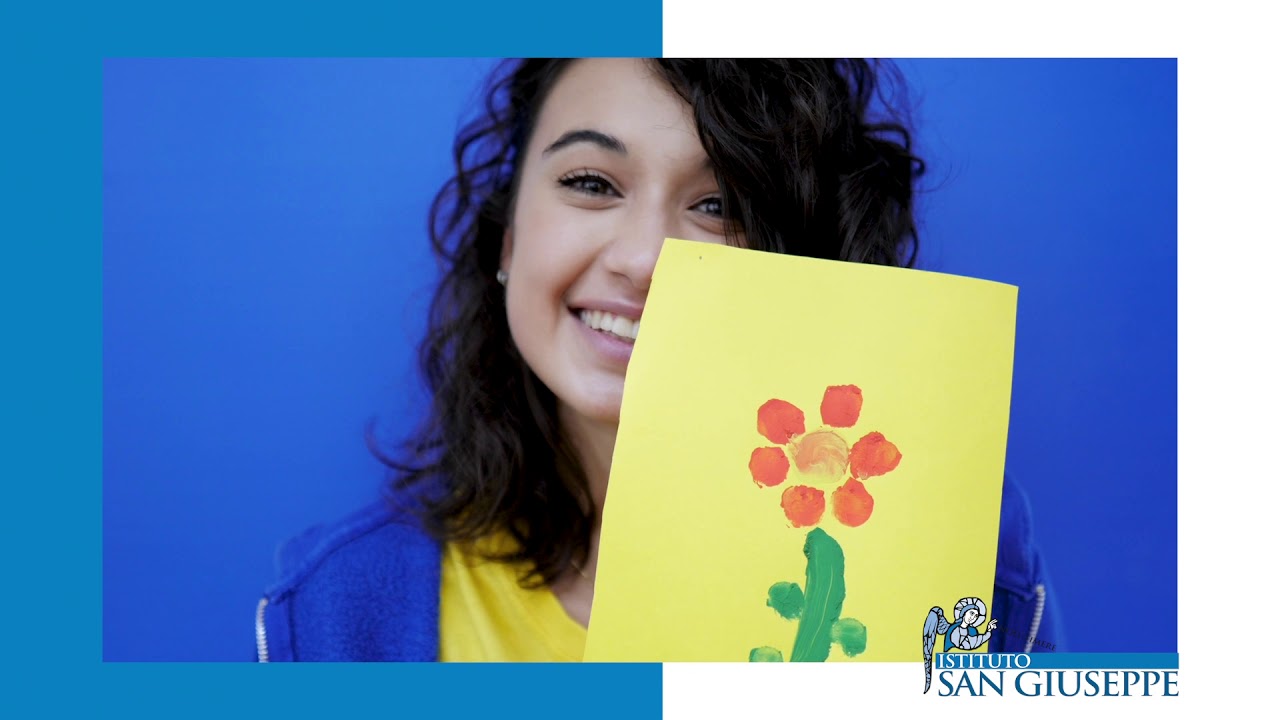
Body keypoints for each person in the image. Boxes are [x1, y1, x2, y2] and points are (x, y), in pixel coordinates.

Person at [254, 58, 1064, 662]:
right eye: (591, 182)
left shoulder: (968, 572)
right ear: (508, 239)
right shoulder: (336, 608)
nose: (645, 257)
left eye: (720, 204)